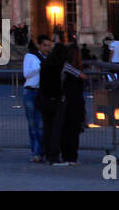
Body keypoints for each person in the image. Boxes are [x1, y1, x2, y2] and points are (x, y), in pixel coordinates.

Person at [37, 34, 67, 164]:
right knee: (56, 130)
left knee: (47, 128)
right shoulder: (60, 65)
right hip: (55, 100)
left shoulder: (44, 63)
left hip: (44, 99)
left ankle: (46, 154)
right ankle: (54, 156)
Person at [58, 44, 86, 165]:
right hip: (74, 103)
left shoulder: (66, 67)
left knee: (69, 131)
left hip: (69, 102)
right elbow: (83, 77)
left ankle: (68, 156)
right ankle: (71, 156)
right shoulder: (69, 68)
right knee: (72, 131)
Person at [21, 37, 47, 163]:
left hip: (42, 93)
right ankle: (36, 152)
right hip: (30, 92)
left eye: (49, 45)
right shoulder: (30, 56)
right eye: (45, 45)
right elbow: (26, 74)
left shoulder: (47, 58)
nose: (48, 48)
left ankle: (40, 151)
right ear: (39, 45)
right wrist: (41, 67)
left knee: (41, 125)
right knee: (33, 125)